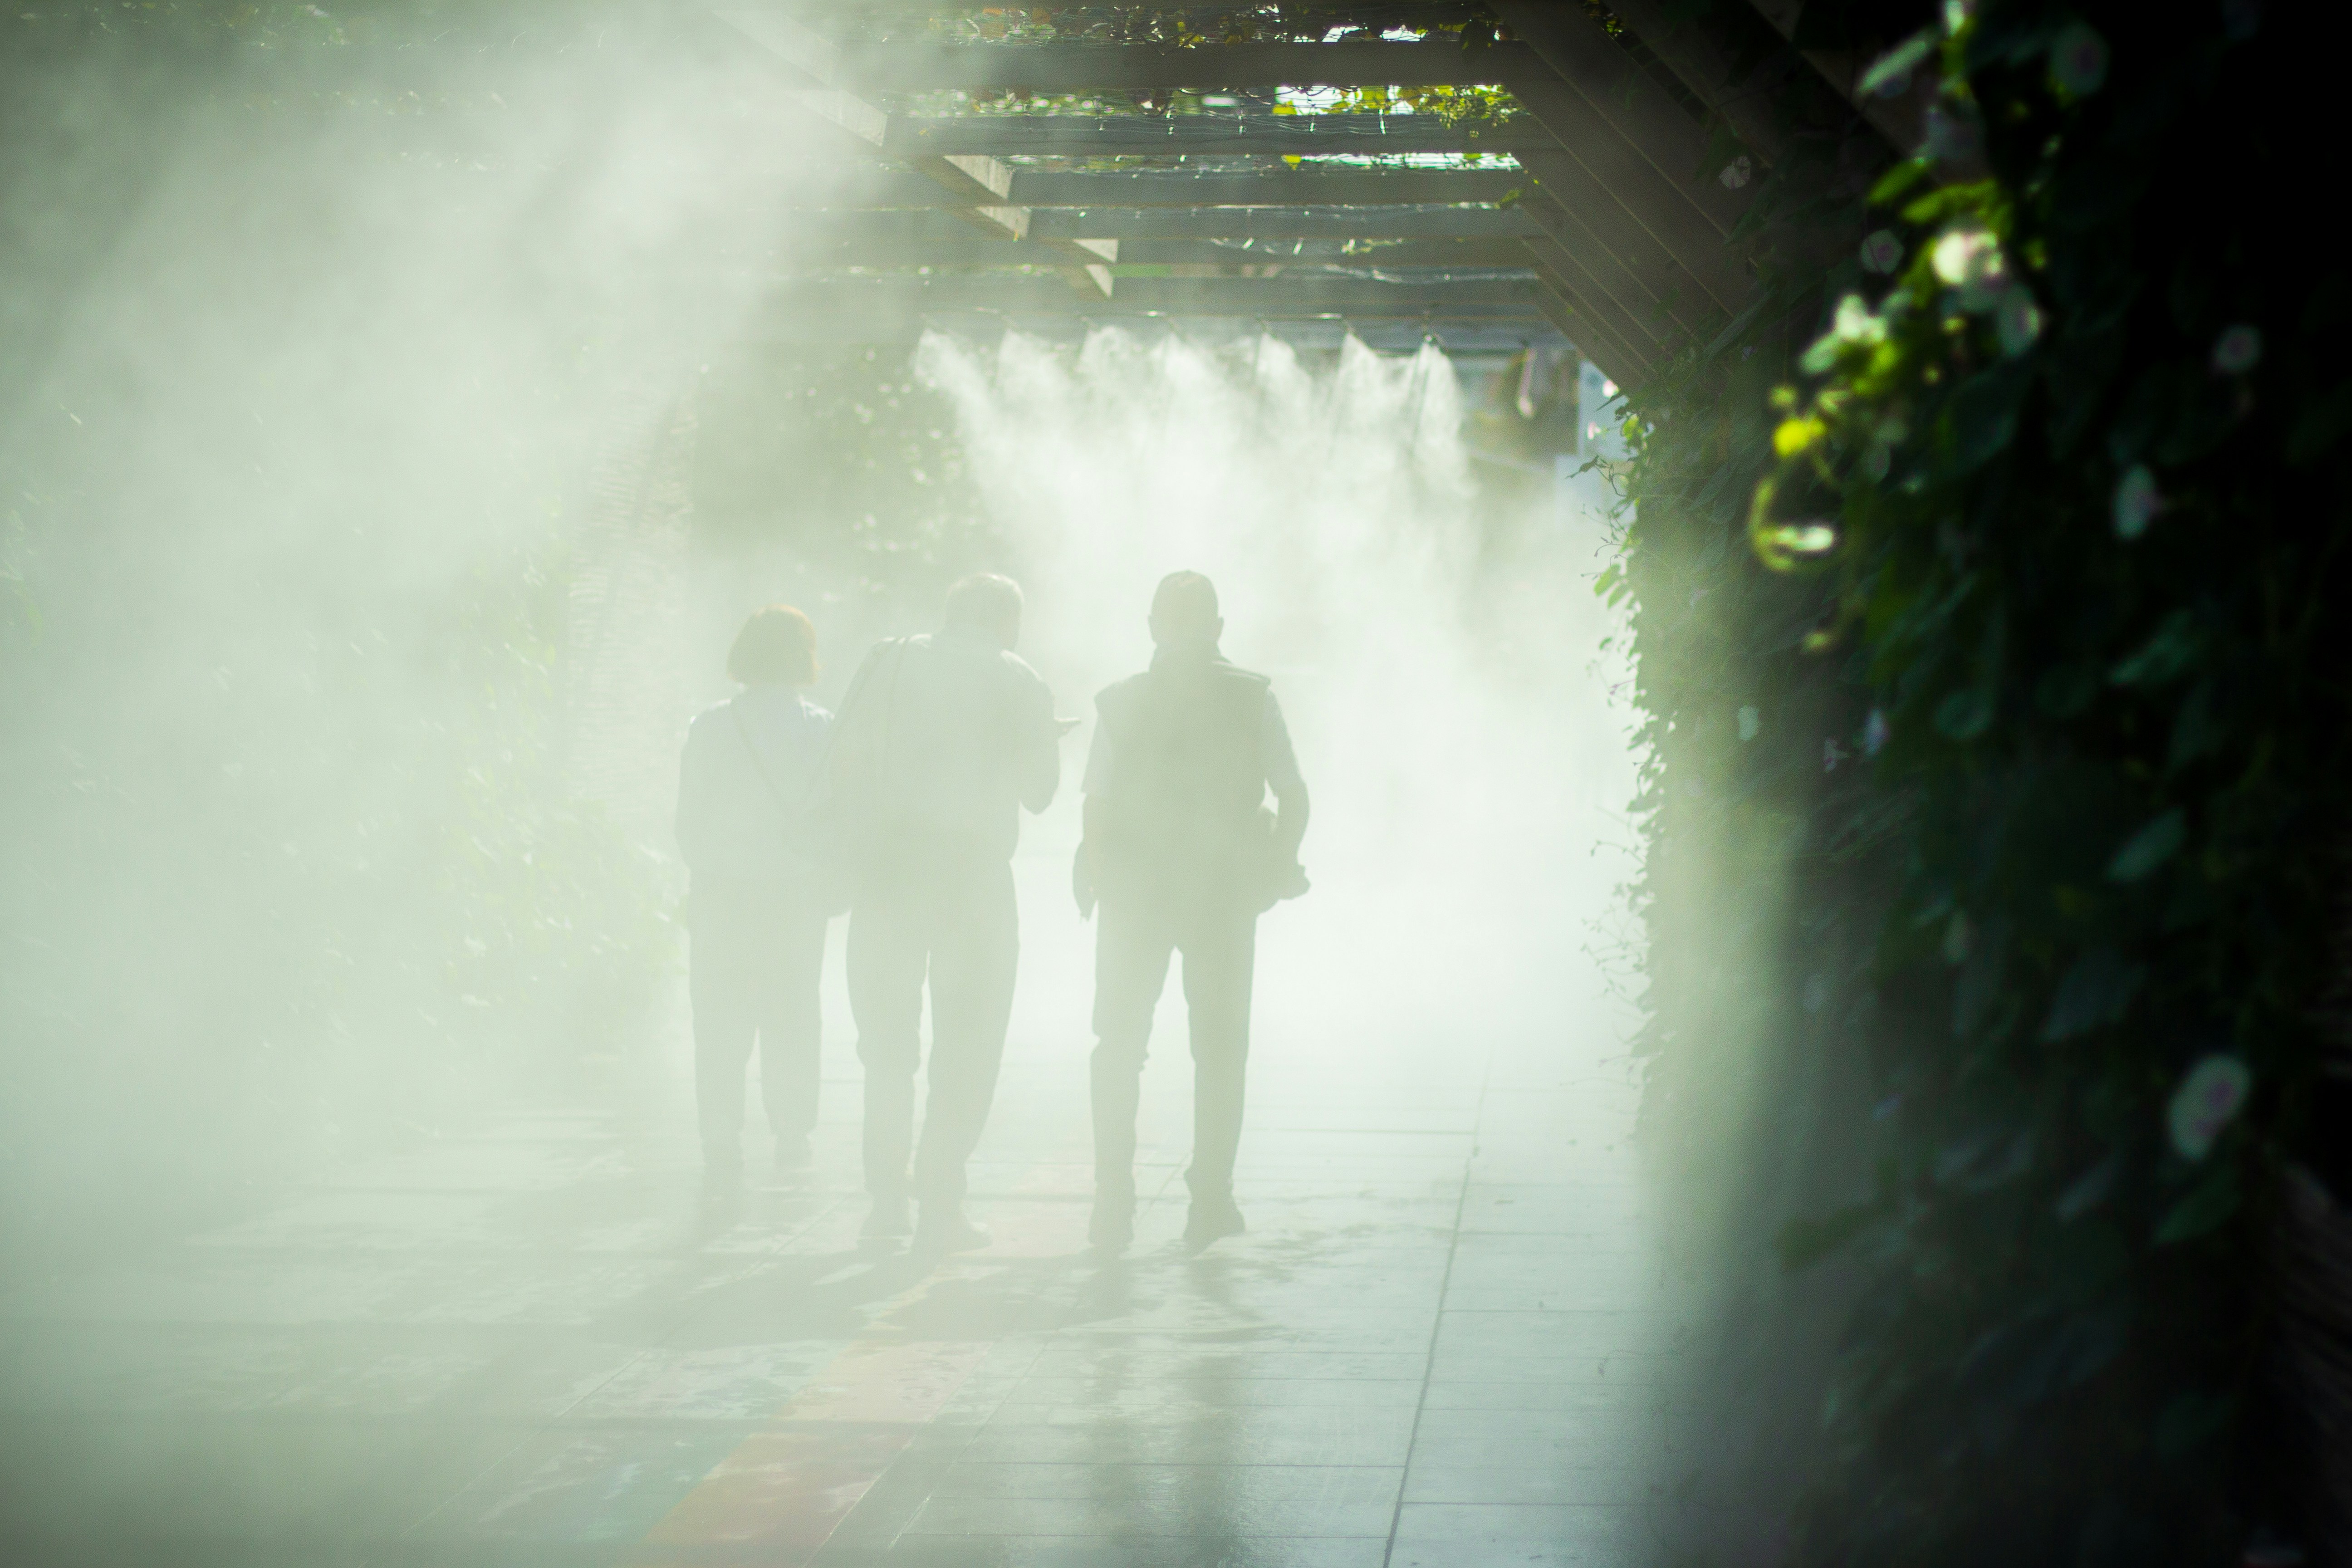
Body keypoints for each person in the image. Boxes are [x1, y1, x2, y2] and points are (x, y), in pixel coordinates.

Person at [823, 573, 1061, 1251]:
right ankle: (942, 1202)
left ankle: (886, 1203)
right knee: (969, 1040)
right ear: (1007, 623)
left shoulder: (888, 659)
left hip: (889, 872)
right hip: (972, 880)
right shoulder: (1018, 679)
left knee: (888, 1047)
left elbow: (843, 759)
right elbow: (1041, 792)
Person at [1077, 571, 1309, 1254]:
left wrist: (1100, 880)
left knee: (1119, 1045)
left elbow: (1095, 804)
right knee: (1220, 1049)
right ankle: (1211, 1201)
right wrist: (1278, 867)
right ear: (1218, 628)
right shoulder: (1254, 695)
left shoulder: (1119, 701)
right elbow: (1294, 795)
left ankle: (1111, 1203)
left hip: (1136, 897)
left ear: (1154, 626)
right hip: (1223, 895)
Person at [674, 604, 835, 1190]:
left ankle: (720, 1132)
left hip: (723, 894)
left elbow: (688, 822)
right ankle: (793, 1133)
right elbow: (832, 818)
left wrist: (715, 866)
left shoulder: (709, 727)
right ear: (802, 658)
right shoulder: (821, 728)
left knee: (719, 1014)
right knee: (792, 1013)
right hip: (794, 897)